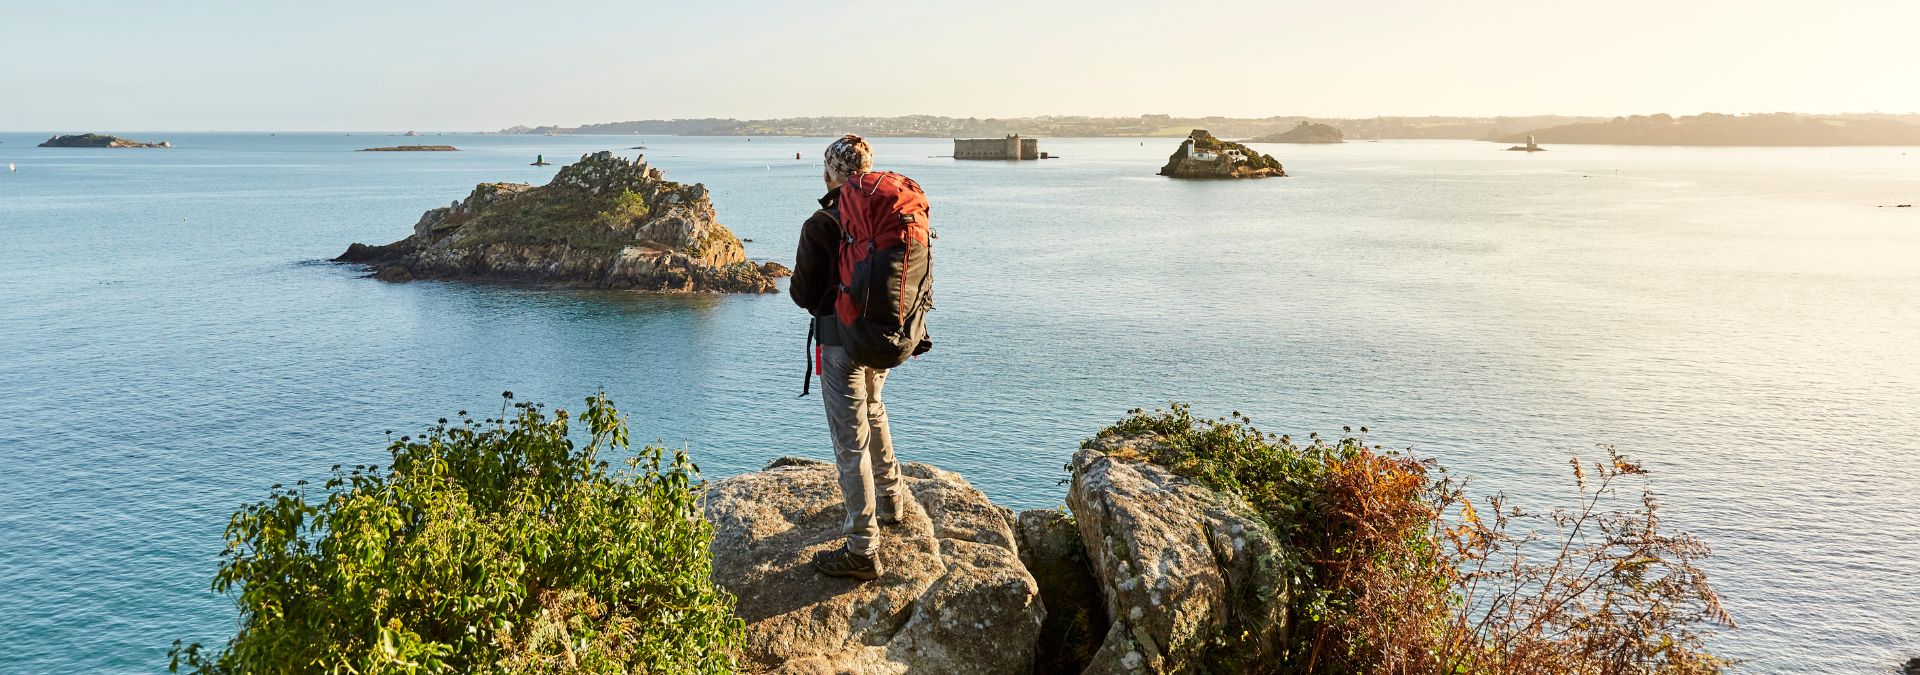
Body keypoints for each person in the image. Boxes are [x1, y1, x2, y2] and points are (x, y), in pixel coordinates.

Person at [791, 134, 904, 581]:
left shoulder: (823, 222)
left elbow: (802, 292)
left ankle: (862, 547)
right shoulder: (886, 214)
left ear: (829, 174)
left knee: (848, 442)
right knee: (874, 410)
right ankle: (892, 502)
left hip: (840, 344)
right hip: (881, 338)